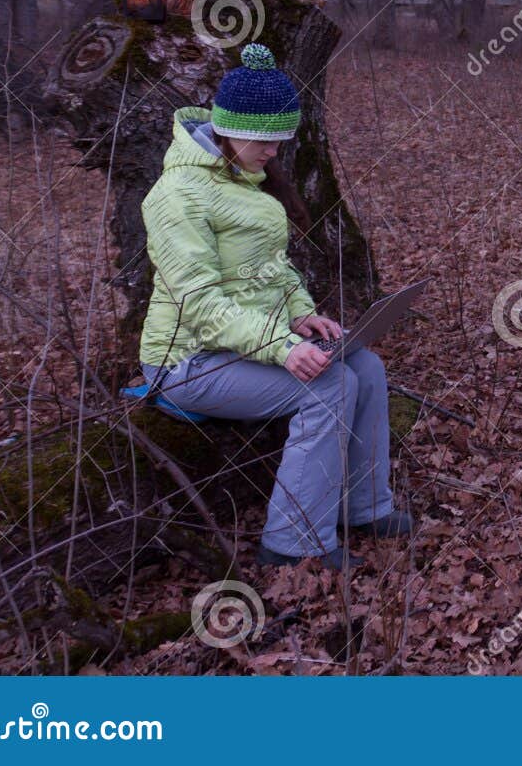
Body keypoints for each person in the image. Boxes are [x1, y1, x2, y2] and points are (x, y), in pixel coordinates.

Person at [136, 42, 415, 570]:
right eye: (264, 140)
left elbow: (275, 268)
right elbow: (199, 303)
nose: (273, 152)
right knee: (330, 386)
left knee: (366, 367)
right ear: (226, 129)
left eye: (279, 140)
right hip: (186, 362)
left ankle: (365, 507)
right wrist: (282, 348)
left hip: (242, 347)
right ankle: (291, 544)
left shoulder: (242, 182)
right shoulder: (178, 196)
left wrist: (299, 314)